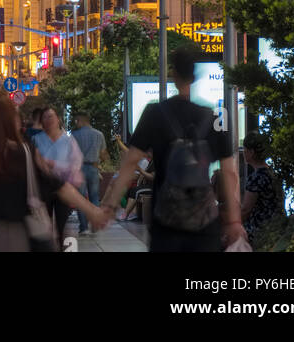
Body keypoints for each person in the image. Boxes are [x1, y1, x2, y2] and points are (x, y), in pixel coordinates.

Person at [102, 46, 246, 253]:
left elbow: (130, 163)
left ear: (174, 74)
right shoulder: (211, 117)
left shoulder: (155, 113)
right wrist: (234, 221)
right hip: (204, 222)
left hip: (166, 220)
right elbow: (229, 172)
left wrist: (110, 204)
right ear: (194, 77)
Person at [0, 98, 107, 252]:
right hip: (17, 234)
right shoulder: (24, 152)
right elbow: (58, 185)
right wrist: (91, 211)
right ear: (9, 121)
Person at [34, 107, 83, 244]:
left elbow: (76, 163)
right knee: (45, 222)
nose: (48, 120)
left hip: (64, 186)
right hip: (43, 187)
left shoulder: (68, 139)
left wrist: (53, 164)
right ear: (41, 121)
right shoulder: (36, 139)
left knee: (62, 222)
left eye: (51, 116)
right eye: (45, 117)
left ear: (58, 119)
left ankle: (60, 244)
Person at [241, 131, 284, 247]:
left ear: (251, 152)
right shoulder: (273, 173)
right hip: (276, 228)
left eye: (245, 150)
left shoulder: (256, 178)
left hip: (259, 232)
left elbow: (246, 210)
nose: (243, 153)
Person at [71, 108, 108, 233]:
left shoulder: (74, 135)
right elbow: (103, 154)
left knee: (80, 198)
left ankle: (83, 227)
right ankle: (95, 224)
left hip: (79, 168)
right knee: (94, 197)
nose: (76, 123)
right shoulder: (99, 134)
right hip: (93, 167)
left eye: (77, 121)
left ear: (80, 121)